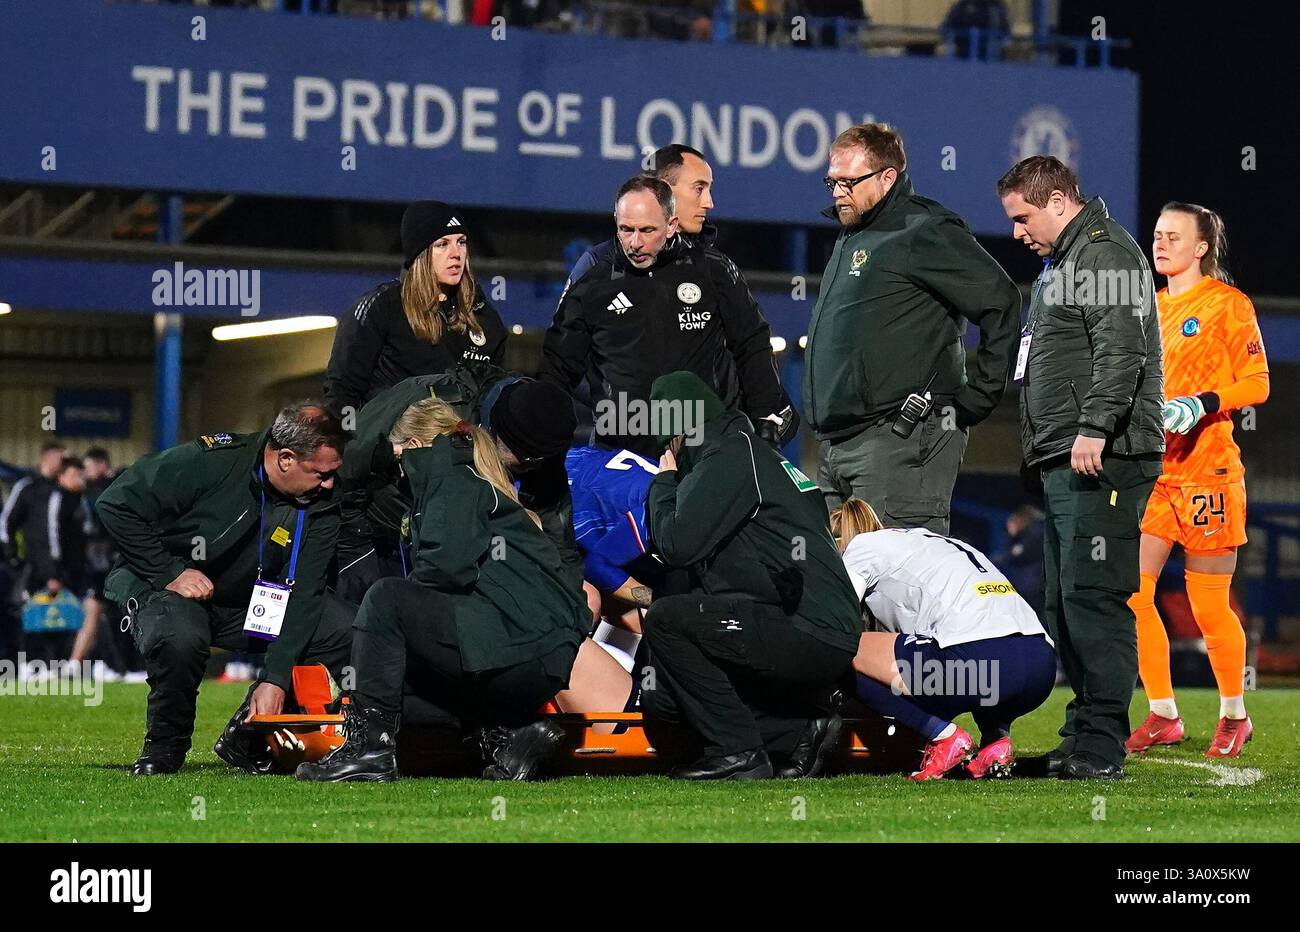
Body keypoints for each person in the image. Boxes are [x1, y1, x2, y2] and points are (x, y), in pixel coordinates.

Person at [295, 397, 592, 783]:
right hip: (533, 651)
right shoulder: (470, 476)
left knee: (386, 601)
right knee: (394, 682)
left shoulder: (452, 478)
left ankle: (370, 751)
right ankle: (513, 733)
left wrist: (400, 629)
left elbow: (445, 569)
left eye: (400, 455)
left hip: (522, 645)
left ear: (417, 447)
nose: (398, 469)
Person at [998, 155, 1165, 780]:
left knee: (1094, 598)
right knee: (1067, 601)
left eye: (1022, 217)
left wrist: (1095, 425)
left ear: (1059, 201)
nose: (1017, 232)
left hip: (1106, 456)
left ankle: (1100, 748)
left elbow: (1123, 347)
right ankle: (1082, 737)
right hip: (1069, 456)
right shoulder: (1064, 263)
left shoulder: (1104, 253)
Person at [96, 404, 353, 776]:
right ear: (285, 459)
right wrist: (169, 571)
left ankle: (250, 735)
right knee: (180, 638)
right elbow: (116, 504)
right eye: (320, 474)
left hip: (249, 602)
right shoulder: (210, 463)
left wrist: (274, 679)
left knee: (343, 629)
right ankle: (165, 747)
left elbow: (307, 593)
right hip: (173, 592)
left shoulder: (323, 498)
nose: (329, 484)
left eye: (333, 474)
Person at [639, 371, 861, 780]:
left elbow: (676, 544)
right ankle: (795, 732)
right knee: (666, 697)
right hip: (819, 626)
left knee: (666, 622)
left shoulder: (729, 455)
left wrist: (663, 483)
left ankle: (738, 753)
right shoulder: (758, 454)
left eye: (666, 443)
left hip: (805, 627)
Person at [804, 123, 1021, 532]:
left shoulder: (923, 228)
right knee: (837, 585)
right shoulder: (855, 235)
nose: (837, 192)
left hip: (899, 440)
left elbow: (1000, 299)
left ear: (888, 177)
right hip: (838, 445)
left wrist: (982, 395)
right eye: (832, 181)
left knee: (894, 583)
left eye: (849, 182)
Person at [1126, 203, 1269, 759]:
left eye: (1174, 236)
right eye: (1157, 235)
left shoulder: (1227, 305)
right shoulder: (1148, 308)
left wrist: (1203, 401)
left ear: (1202, 247)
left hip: (1208, 470)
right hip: (1155, 476)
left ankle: (1235, 713)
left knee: (1207, 604)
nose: (1160, 244)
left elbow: (1257, 384)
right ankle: (1163, 712)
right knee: (1132, 593)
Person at [544, 174, 796, 458]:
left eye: (647, 230)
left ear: (672, 225)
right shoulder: (593, 282)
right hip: (622, 453)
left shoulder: (712, 271)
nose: (634, 243)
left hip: (705, 450)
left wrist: (766, 414)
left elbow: (752, 343)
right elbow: (558, 367)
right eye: (626, 229)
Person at [831, 498, 1057, 780]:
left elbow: (834, 620)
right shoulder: (932, 541)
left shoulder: (860, 548)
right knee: (970, 645)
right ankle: (995, 741)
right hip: (1040, 666)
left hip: (981, 666)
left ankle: (944, 737)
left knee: (840, 646)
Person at [334, 361, 581, 603]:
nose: (534, 468)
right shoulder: (422, 400)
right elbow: (345, 464)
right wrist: (357, 541)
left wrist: (568, 602)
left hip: (450, 550)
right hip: (378, 534)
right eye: (526, 461)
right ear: (499, 437)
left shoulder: (544, 442)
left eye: (541, 461)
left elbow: (558, 536)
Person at [323, 201, 507, 420]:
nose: (456, 253)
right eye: (442, 244)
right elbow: (343, 389)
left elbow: (493, 399)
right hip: (388, 445)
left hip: (457, 449)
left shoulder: (485, 319)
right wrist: (355, 448)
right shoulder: (382, 307)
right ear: (420, 253)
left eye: (462, 242)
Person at [6, 456, 101, 666]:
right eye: (75, 475)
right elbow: (52, 537)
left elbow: (88, 532)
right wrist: (54, 573)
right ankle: (32, 664)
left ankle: (76, 663)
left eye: (81, 475)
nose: (79, 479)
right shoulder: (56, 498)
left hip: (79, 569)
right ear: (62, 477)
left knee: (87, 611)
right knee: (42, 616)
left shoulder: (82, 500)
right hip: (54, 570)